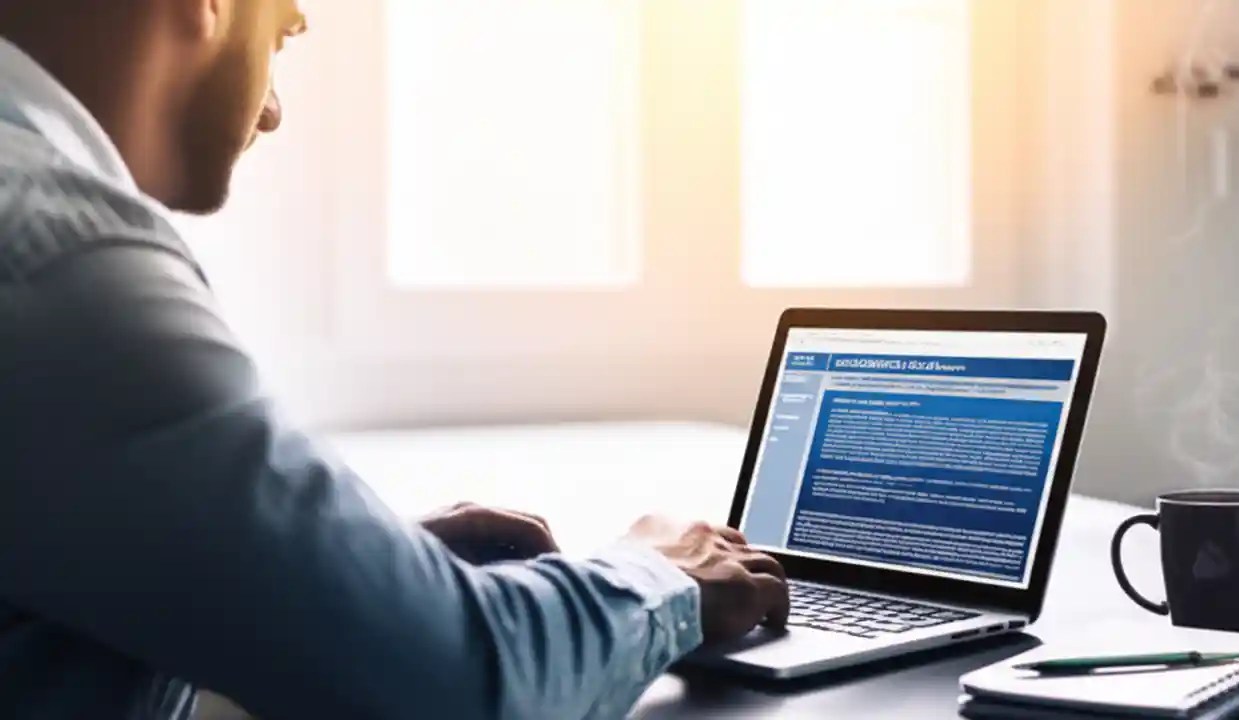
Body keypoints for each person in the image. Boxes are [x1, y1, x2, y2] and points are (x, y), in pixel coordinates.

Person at [0, 2, 790, 719]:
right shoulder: (63, 258)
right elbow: (460, 688)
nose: (272, 112)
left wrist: (340, 577)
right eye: (280, 37)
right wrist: (659, 575)